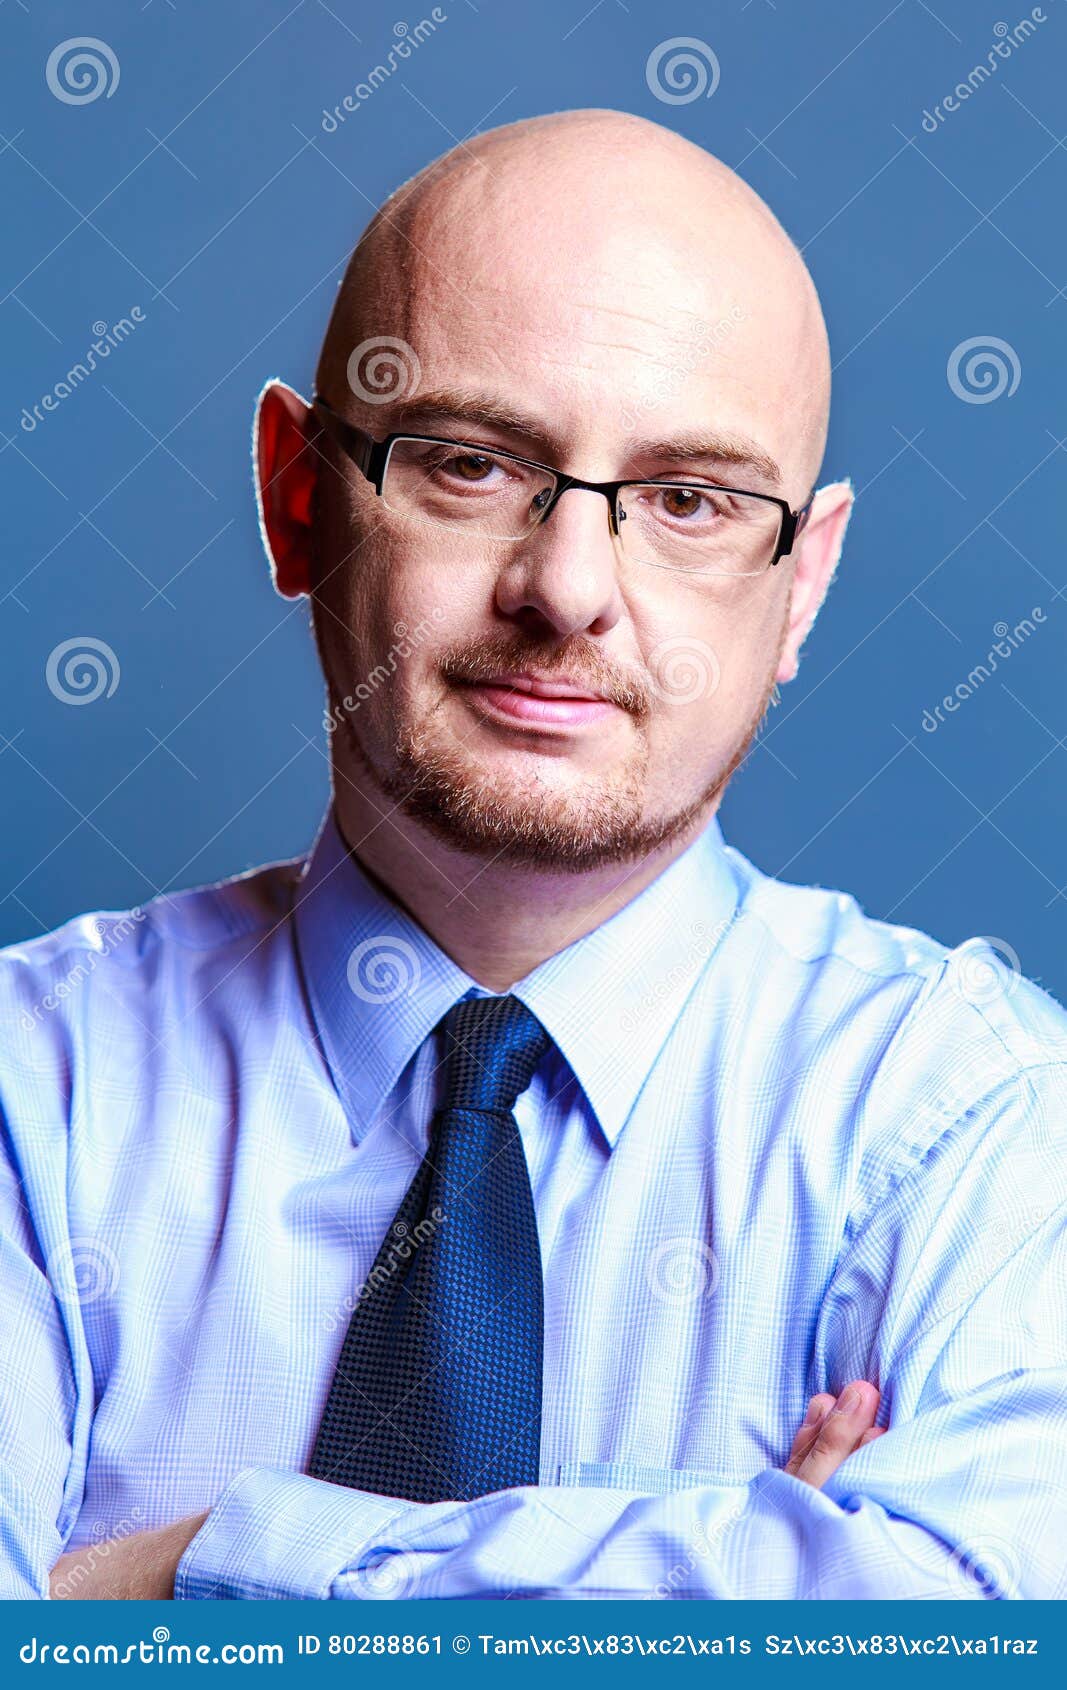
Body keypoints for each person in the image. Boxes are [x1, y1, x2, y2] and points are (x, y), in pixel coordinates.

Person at [2, 109, 1064, 1603]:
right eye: (472, 464)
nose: (567, 588)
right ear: (301, 498)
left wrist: (159, 1576)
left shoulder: (983, 1129)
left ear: (801, 583)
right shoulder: (27, 1093)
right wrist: (734, 1580)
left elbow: (970, 1610)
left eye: (691, 500)